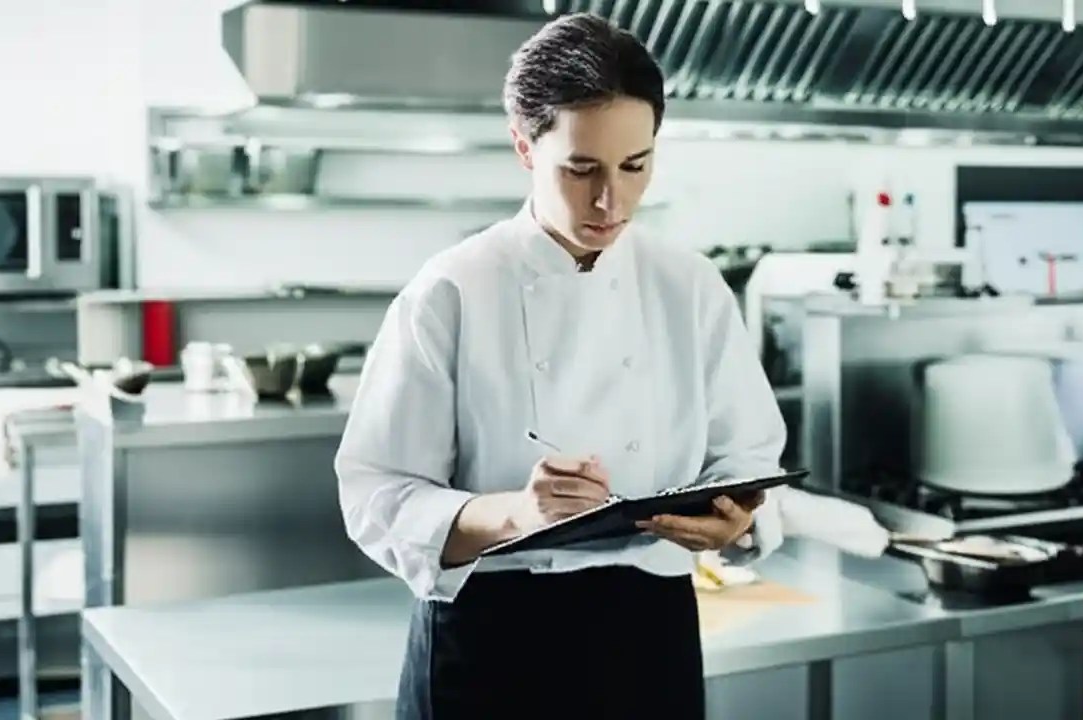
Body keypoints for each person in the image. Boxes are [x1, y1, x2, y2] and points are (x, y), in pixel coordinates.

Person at [335, 12, 787, 720]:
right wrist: (518, 511)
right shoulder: (453, 288)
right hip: (492, 644)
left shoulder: (688, 284)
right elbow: (377, 495)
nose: (611, 201)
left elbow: (749, 454)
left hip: (650, 633)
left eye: (635, 166)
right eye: (582, 170)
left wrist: (736, 518)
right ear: (524, 148)